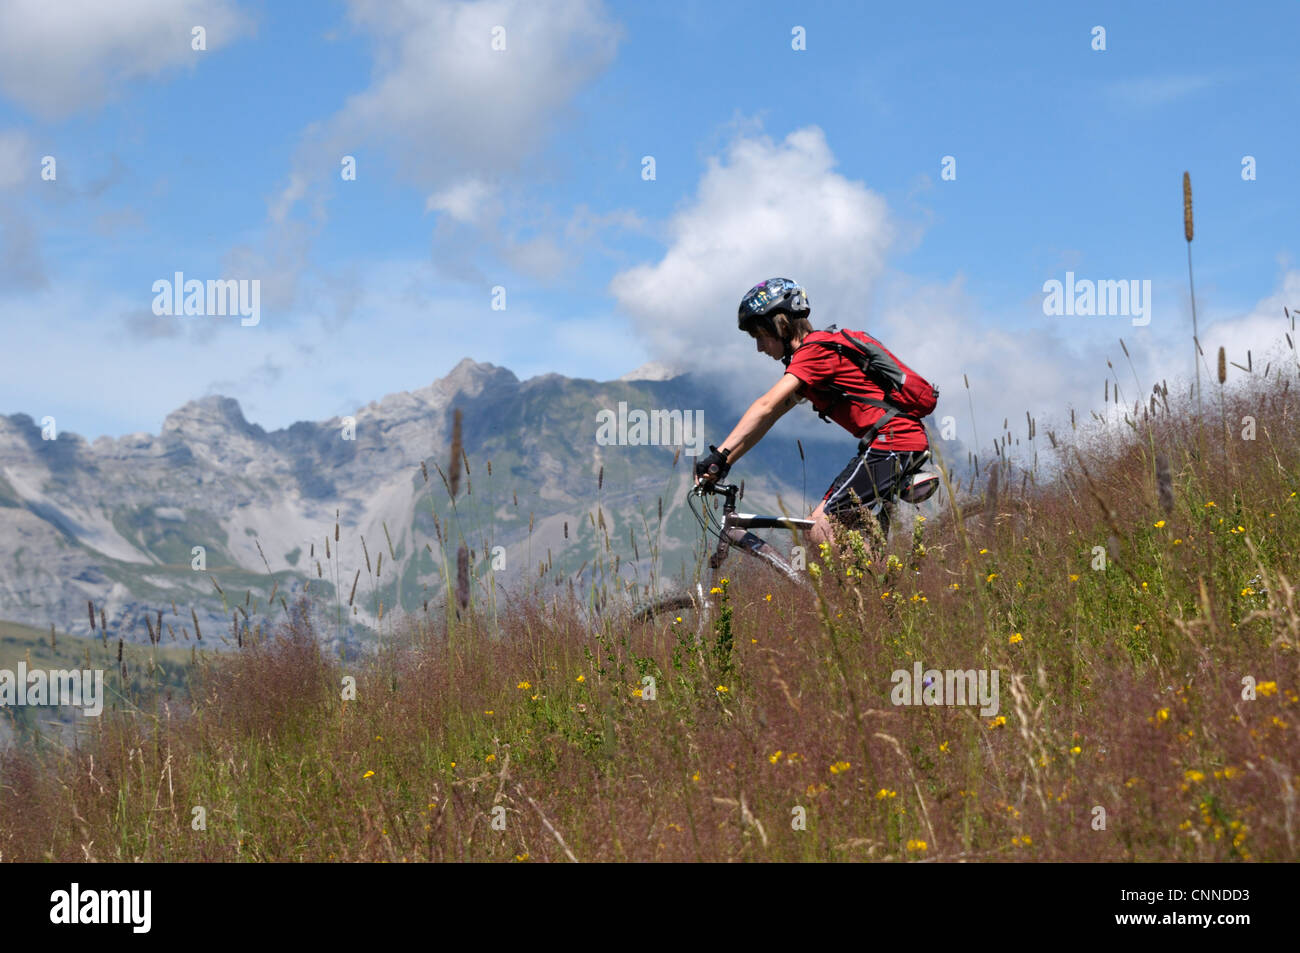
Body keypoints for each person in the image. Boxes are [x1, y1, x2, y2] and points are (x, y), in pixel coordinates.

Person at [694, 277, 931, 548]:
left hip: (892, 442)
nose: (759, 348)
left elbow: (765, 406)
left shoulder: (813, 352)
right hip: (887, 444)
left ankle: (871, 588)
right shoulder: (813, 359)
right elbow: (768, 419)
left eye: (760, 336)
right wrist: (724, 463)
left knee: (821, 529)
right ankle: (873, 585)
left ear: (780, 325)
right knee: (818, 527)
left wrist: (718, 453)